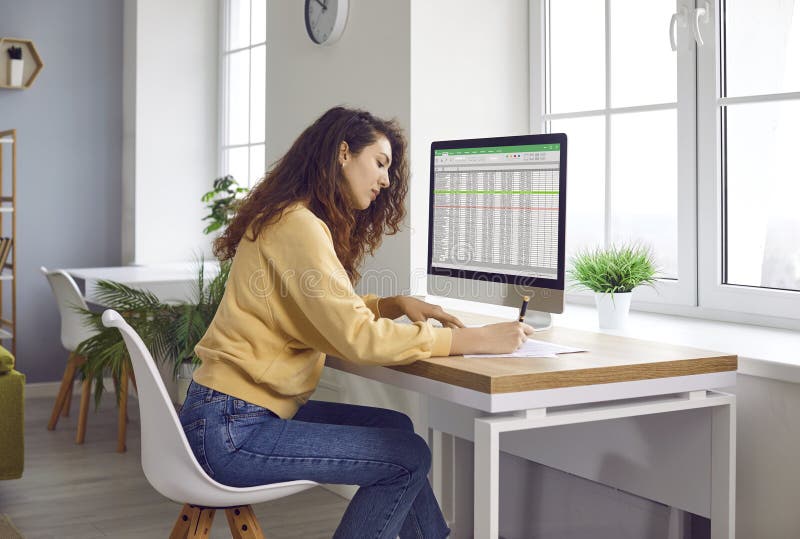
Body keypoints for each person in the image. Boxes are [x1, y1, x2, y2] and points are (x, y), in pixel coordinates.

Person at [179, 106, 534, 538]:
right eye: (380, 163)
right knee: (407, 455)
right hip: (233, 431)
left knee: (395, 428)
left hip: (224, 414)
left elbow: (317, 312)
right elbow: (357, 339)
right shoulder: (298, 225)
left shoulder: (288, 216)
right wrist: (470, 340)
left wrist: (388, 305)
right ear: (344, 153)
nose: (385, 181)